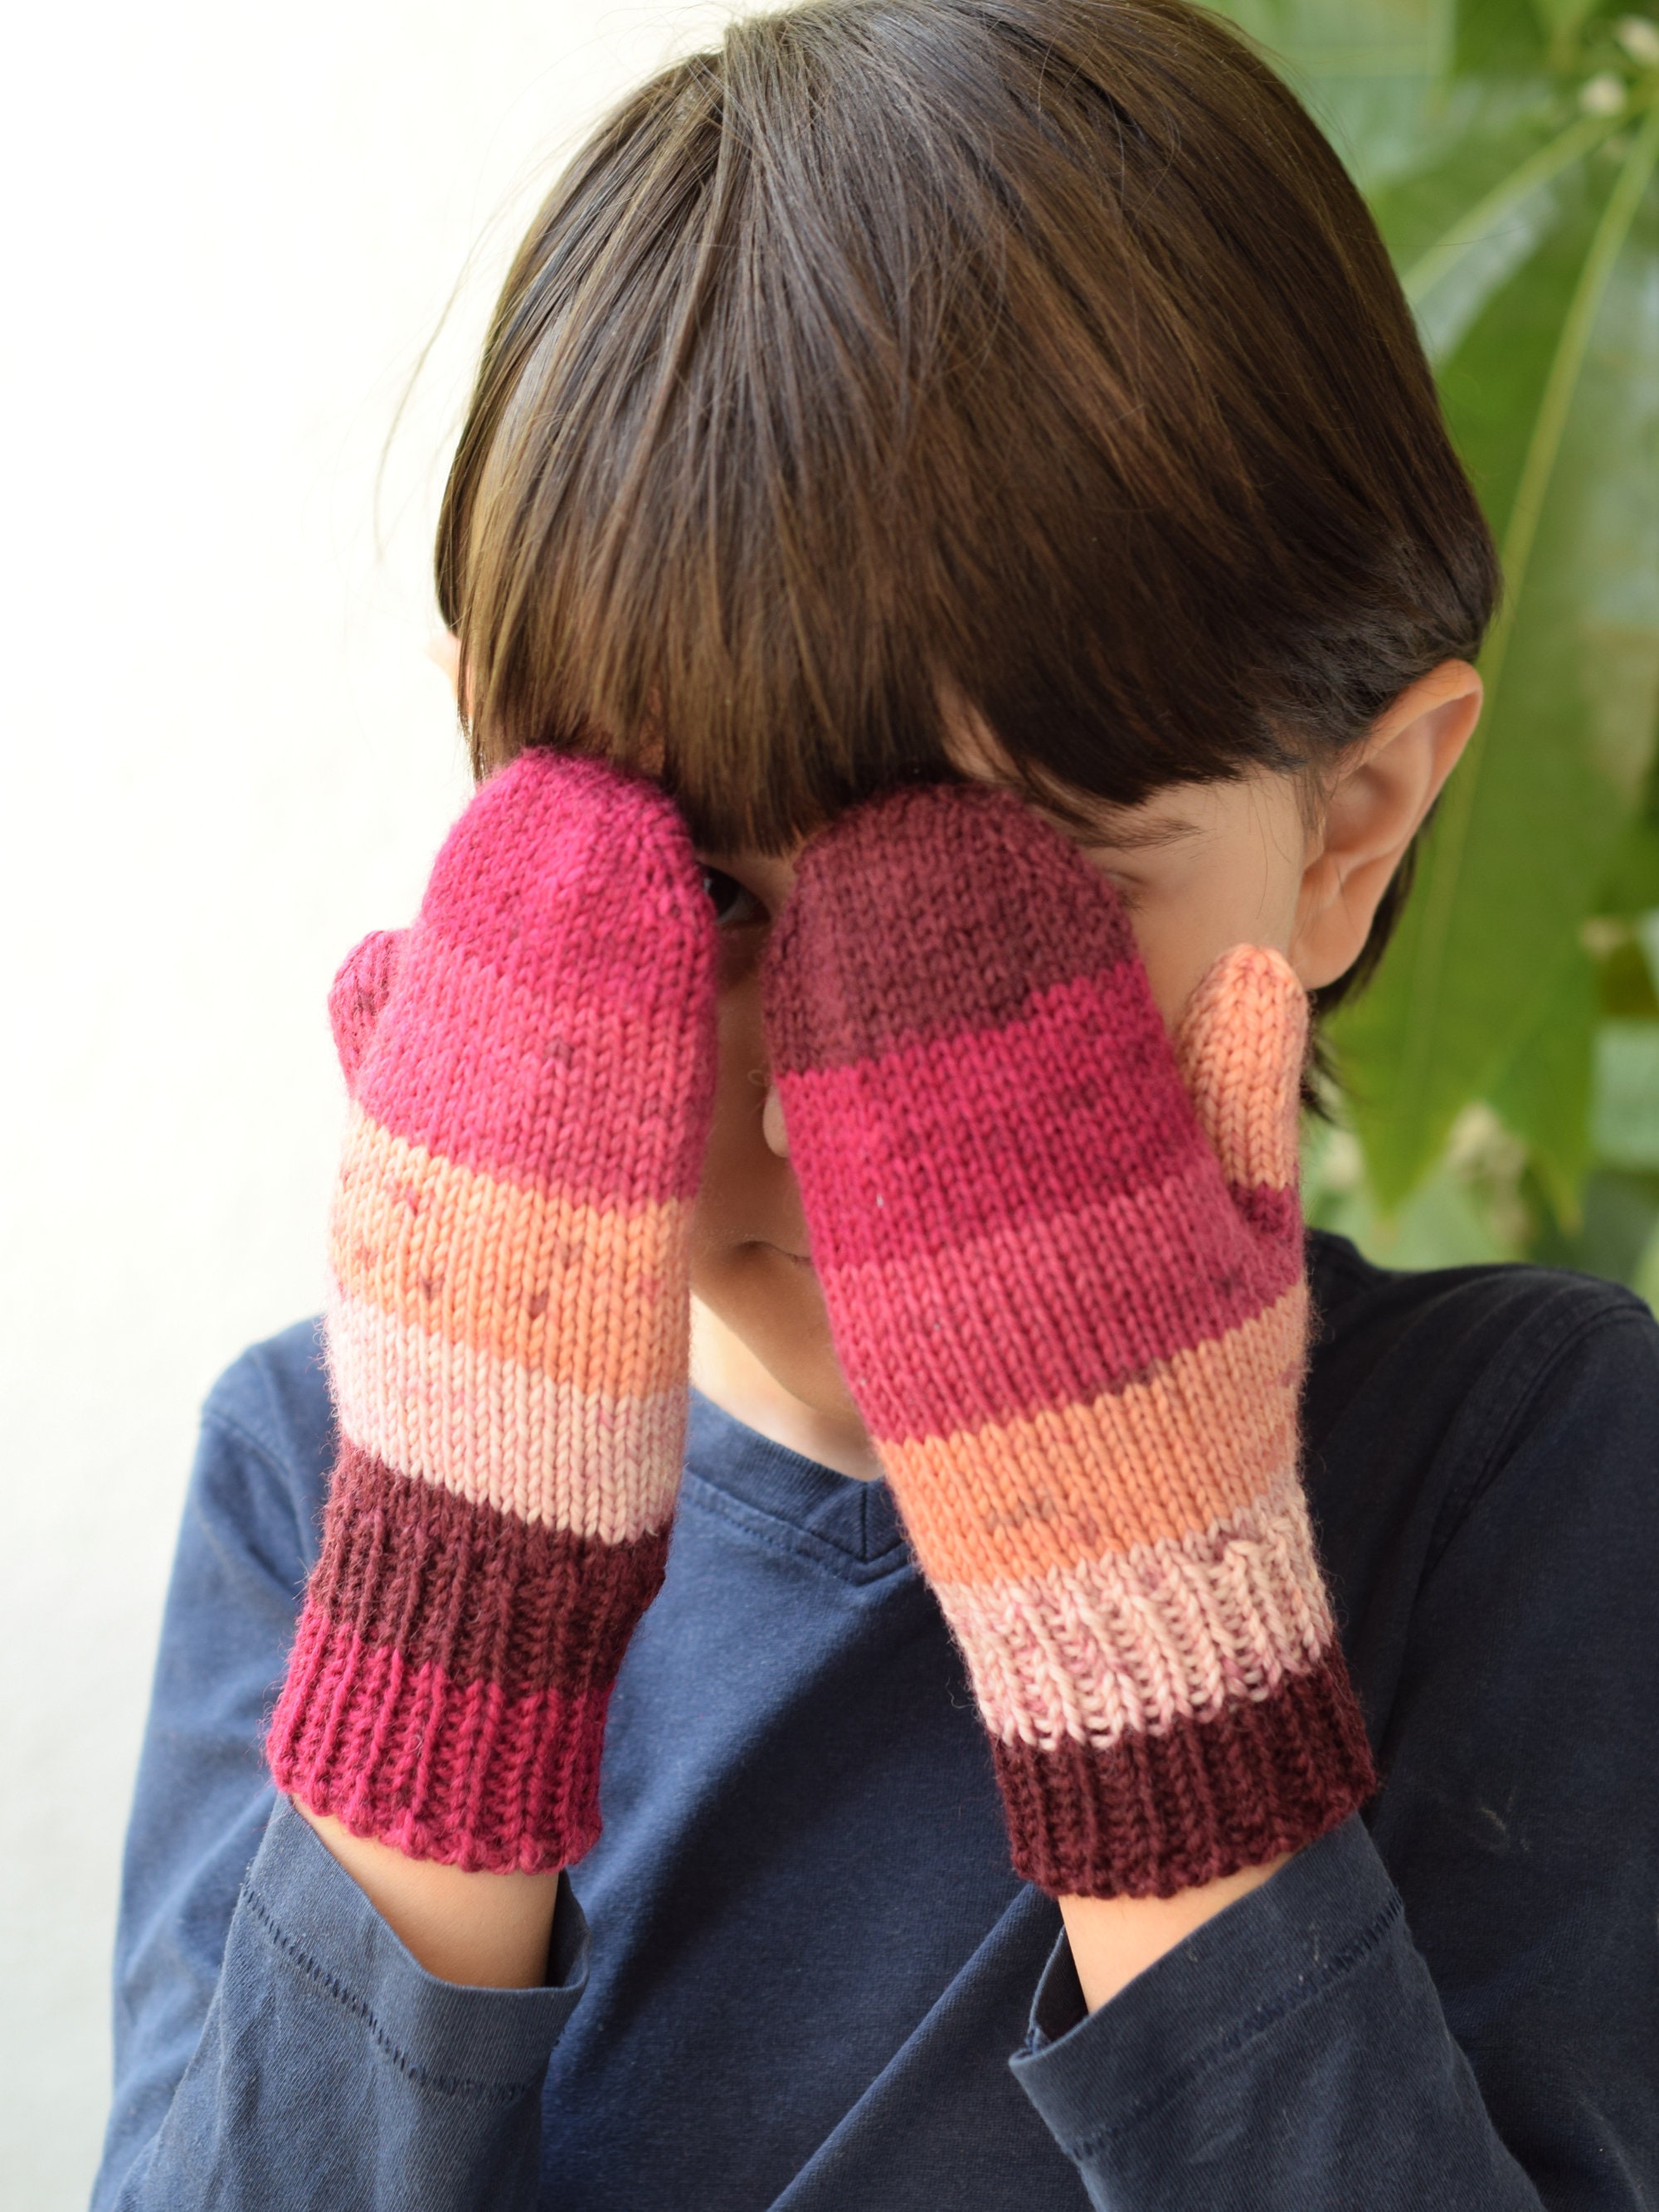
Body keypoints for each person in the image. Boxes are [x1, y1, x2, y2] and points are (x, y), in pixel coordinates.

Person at [91, 0, 1659, 2205]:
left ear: (1352, 828)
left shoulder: (1528, 1469)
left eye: (1015, 904)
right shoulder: (320, 1482)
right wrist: (458, 1614)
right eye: (709, 897)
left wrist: (1153, 1637)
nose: (839, 1111)